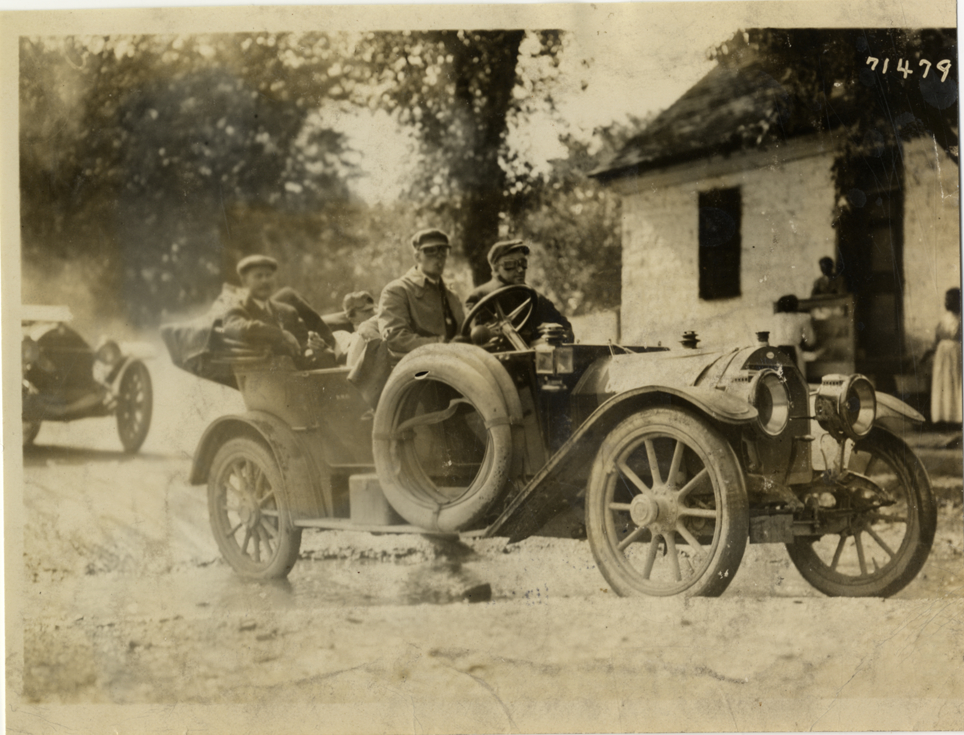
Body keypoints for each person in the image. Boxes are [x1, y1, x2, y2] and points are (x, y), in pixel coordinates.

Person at [223, 255, 335, 368]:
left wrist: (314, 344)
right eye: (258, 276)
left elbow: (302, 343)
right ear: (244, 282)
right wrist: (281, 334)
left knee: (327, 356)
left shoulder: (287, 311)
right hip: (262, 376)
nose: (265, 281)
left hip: (293, 375)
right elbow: (237, 327)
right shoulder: (238, 310)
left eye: (268, 275)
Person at [465, 239, 574, 343]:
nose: (520, 269)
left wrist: (555, 332)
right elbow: (481, 338)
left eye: (523, 263)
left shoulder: (535, 298)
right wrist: (535, 335)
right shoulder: (479, 297)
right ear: (496, 268)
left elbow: (566, 329)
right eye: (510, 264)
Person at [378, 229, 466, 356]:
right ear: (417, 256)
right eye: (430, 251)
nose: (438, 257)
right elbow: (395, 338)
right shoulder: (398, 290)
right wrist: (442, 344)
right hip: (417, 368)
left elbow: (463, 333)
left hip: (456, 362)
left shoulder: (452, 296)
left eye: (443, 251)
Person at [930, 287, 962, 425]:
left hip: (957, 354)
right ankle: (942, 416)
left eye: (951, 300)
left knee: (956, 382)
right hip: (942, 355)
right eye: (946, 300)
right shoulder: (943, 320)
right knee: (943, 383)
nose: (947, 303)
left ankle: (957, 416)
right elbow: (936, 339)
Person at [332, 291, 381, 368]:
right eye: (366, 311)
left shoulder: (381, 320)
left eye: (371, 309)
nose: (372, 313)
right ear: (351, 317)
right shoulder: (345, 336)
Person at [772, 294, 816, 373]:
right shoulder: (803, 317)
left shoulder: (775, 318)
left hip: (777, 351)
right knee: (796, 378)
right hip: (793, 351)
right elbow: (810, 340)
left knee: (780, 377)